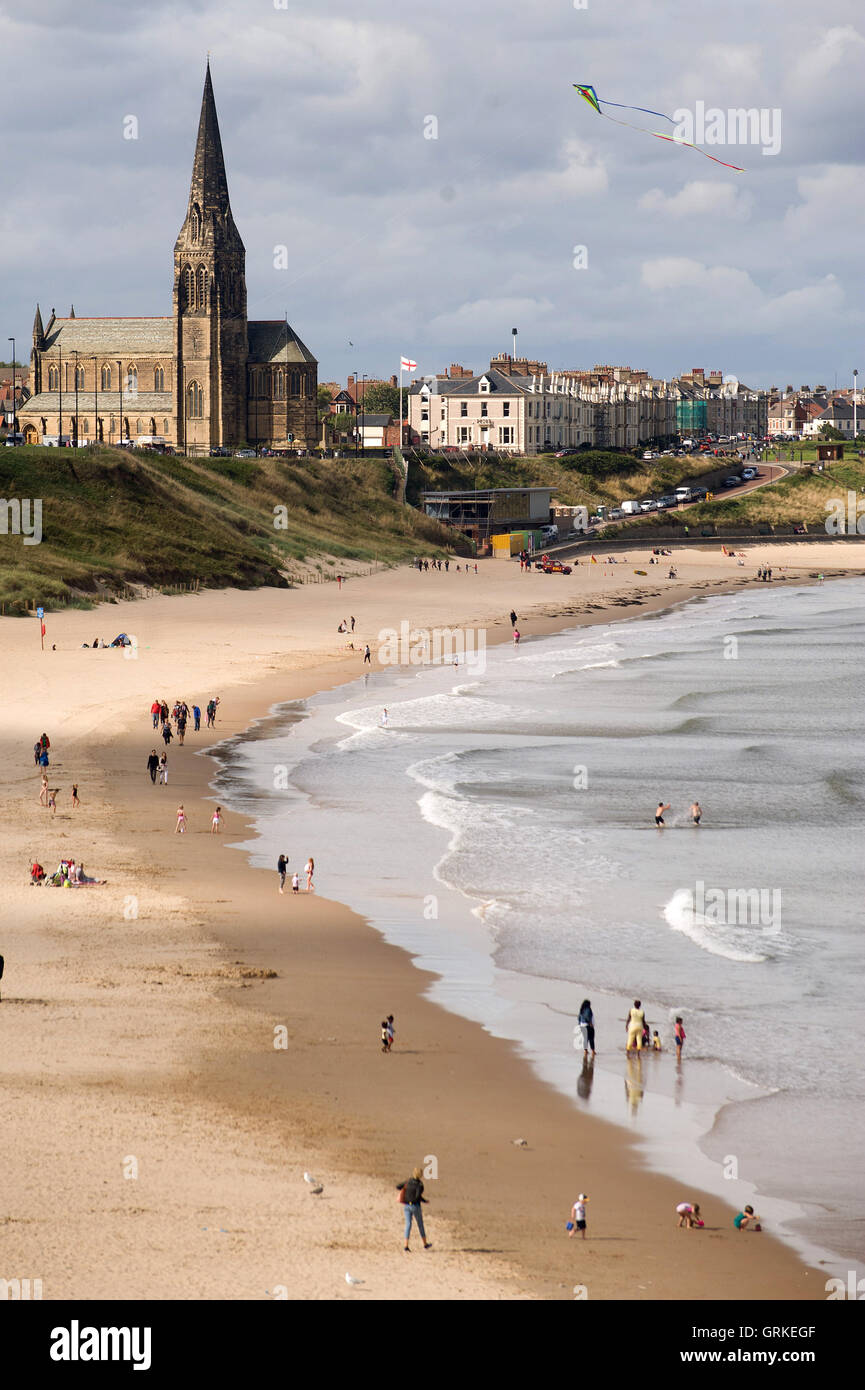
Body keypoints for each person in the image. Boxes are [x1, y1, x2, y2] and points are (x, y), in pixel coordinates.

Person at [397, 1168, 431, 1251]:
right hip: (415, 1206)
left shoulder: (408, 1181)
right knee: (420, 1224)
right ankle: (425, 1244)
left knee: (408, 1225)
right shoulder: (420, 1185)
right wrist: (424, 1201)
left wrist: (405, 1191)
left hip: (407, 1206)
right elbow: (418, 1196)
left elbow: (398, 1186)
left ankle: (406, 1245)